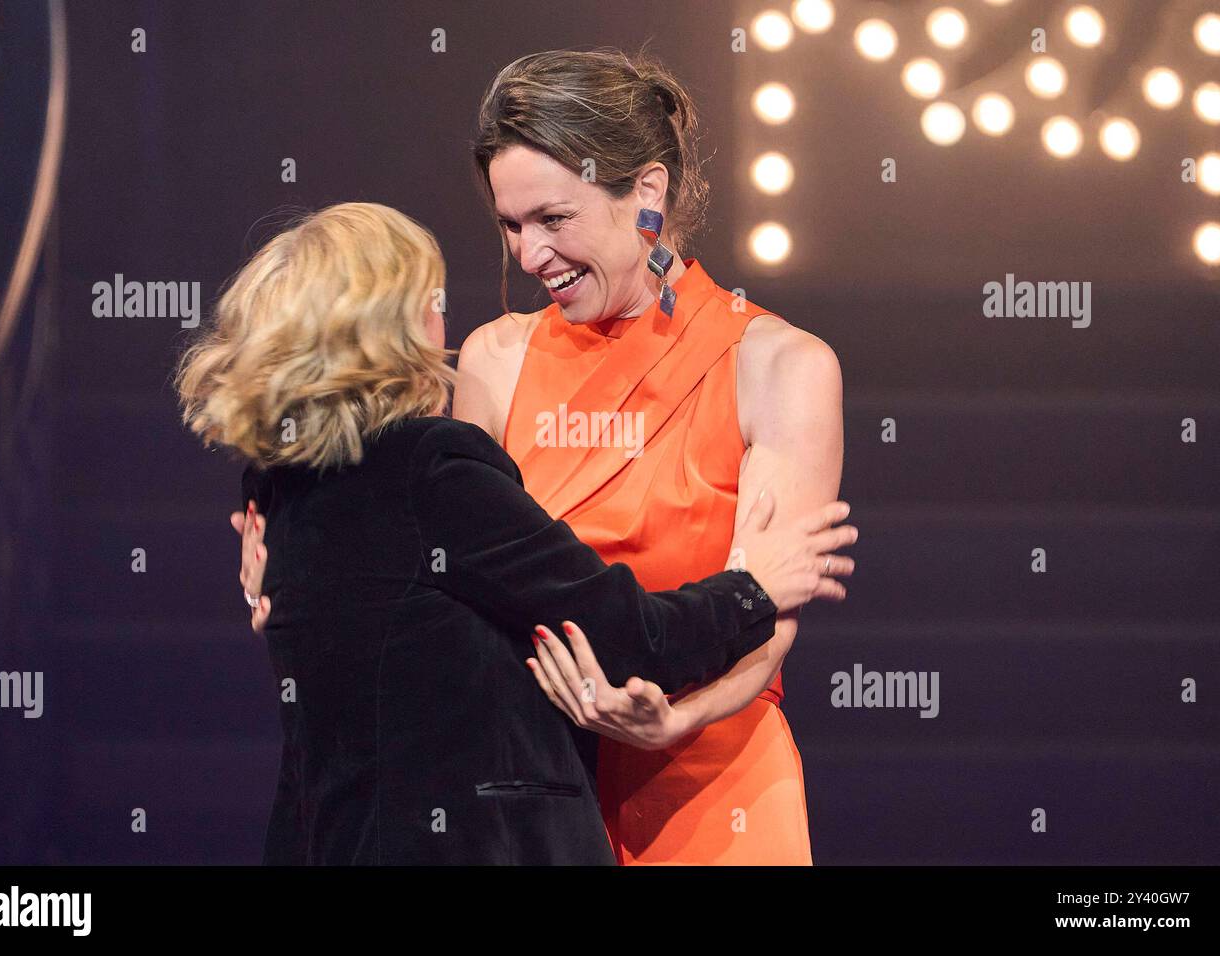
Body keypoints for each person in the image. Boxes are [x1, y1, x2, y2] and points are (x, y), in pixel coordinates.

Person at [183, 201, 855, 864]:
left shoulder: (279, 493)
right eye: (430, 300)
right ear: (395, 325)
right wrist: (753, 589)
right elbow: (631, 638)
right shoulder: (430, 468)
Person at [455, 48, 849, 864]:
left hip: (716, 792)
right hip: (536, 796)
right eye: (511, 226)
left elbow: (767, 617)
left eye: (554, 220)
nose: (530, 257)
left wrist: (675, 718)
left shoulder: (779, 366)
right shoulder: (494, 360)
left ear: (646, 193)